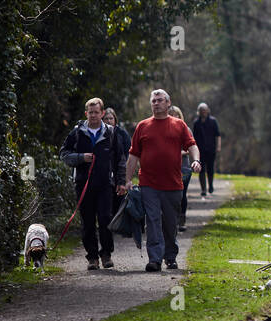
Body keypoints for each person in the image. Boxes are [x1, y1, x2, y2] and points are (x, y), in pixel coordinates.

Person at [125, 89, 200, 272]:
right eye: (153, 101)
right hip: (148, 183)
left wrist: (196, 160)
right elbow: (133, 155)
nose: (156, 103)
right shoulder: (142, 126)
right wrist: (127, 179)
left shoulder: (179, 125)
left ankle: (171, 256)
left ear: (168, 103)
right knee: (152, 220)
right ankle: (155, 259)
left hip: (173, 183)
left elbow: (192, 145)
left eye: (160, 100)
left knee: (170, 222)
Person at [60, 97, 128, 270]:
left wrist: (121, 181)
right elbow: (64, 155)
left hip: (106, 184)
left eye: (97, 112)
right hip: (83, 184)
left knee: (105, 218)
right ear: (86, 114)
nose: (93, 115)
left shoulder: (111, 133)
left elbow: (120, 159)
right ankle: (92, 257)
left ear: (102, 113)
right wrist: (81, 158)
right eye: (90, 112)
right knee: (87, 221)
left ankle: (106, 254)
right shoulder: (77, 132)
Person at [104, 107, 140, 250]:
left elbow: (128, 152)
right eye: (106, 118)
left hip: (120, 170)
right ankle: (110, 227)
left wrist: (126, 174)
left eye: (110, 118)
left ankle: (121, 225)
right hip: (106, 174)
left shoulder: (121, 133)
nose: (108, 121)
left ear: (115, 120)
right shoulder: (101, 134)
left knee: (120, 201)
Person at [192, 103, 222, 198]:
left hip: (211, 149)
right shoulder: (196, 123)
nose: (203, 112)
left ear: (207, 111)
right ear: (199, 112)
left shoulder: (213, 121)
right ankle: (203, 189)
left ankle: (211, 186)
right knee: (201, 170)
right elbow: (193, 137)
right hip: (200, 150)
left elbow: (218, 135)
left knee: (210, 168)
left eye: (204, 110)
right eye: (201, 111)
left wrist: (218, 146)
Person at [169, 105, 191, 231]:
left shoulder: (185, 129)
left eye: (175, 114)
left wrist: (177, 152)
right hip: (169, 168)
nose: (173, 117)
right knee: (170, 195)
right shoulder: (165, 129)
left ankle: (181, 219)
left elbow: (190, 148)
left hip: (183, 167)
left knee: (181, 194)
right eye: (171, 114)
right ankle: (172, 220)